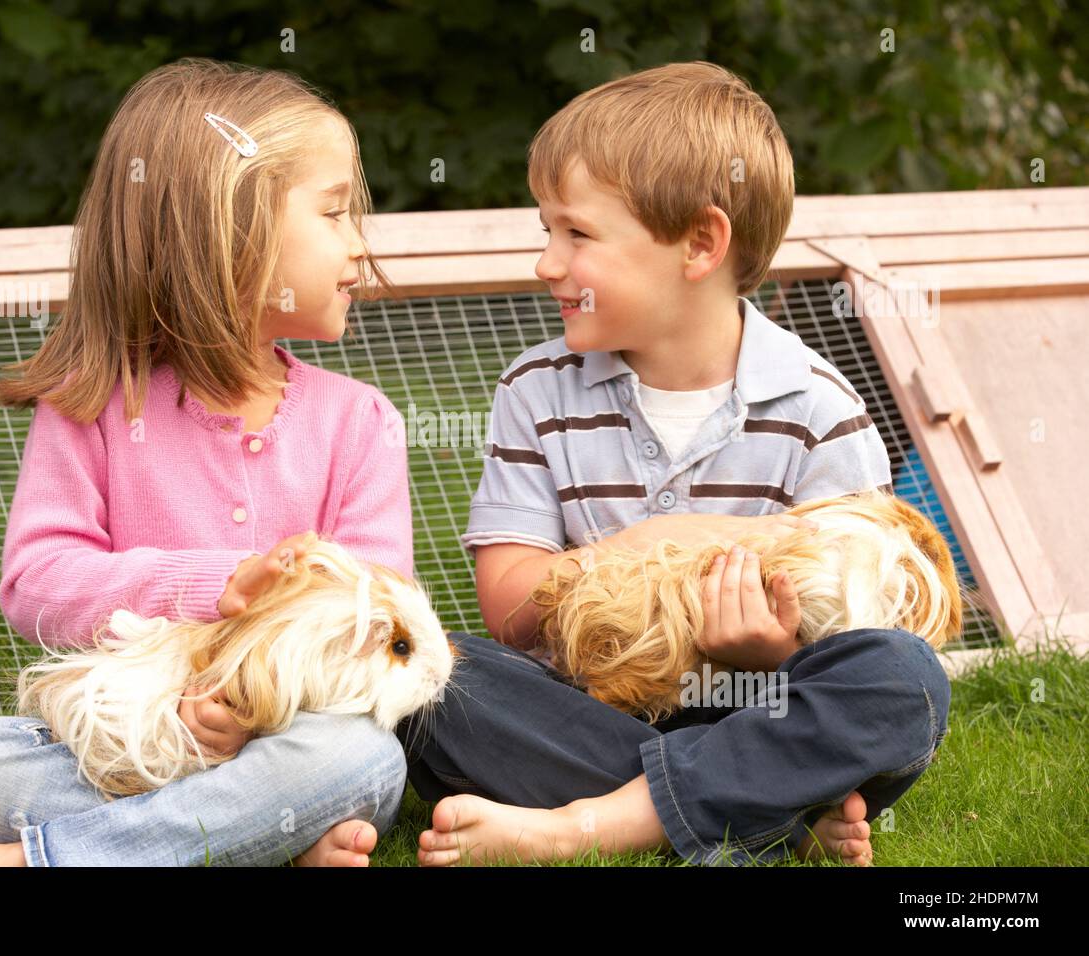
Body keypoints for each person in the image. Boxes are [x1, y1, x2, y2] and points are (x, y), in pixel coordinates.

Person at [0, 58, 413, 868]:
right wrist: (211, 587)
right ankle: (251, 837)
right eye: (335, 214)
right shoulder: (94, 407)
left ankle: (43, 859)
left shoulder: (359, 420)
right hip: (128, 738)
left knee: (362, 760)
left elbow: (380, 628)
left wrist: (250, 708)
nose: (360, 246)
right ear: (232, 231)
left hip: (285, 738)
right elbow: (36, 584)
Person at [396, 62, 951, 867]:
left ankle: (585, 826)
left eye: (577, 234)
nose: (548, 262)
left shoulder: (820, 407)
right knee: (435, 670)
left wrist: (770, 655)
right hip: (585, 713)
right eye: (545, 230)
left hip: (754, 710)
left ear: (700, 243)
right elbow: (508, 613)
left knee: (902, 678)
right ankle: (760, 815)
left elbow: (861, 627)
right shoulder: (536, 391)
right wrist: (642, 544)